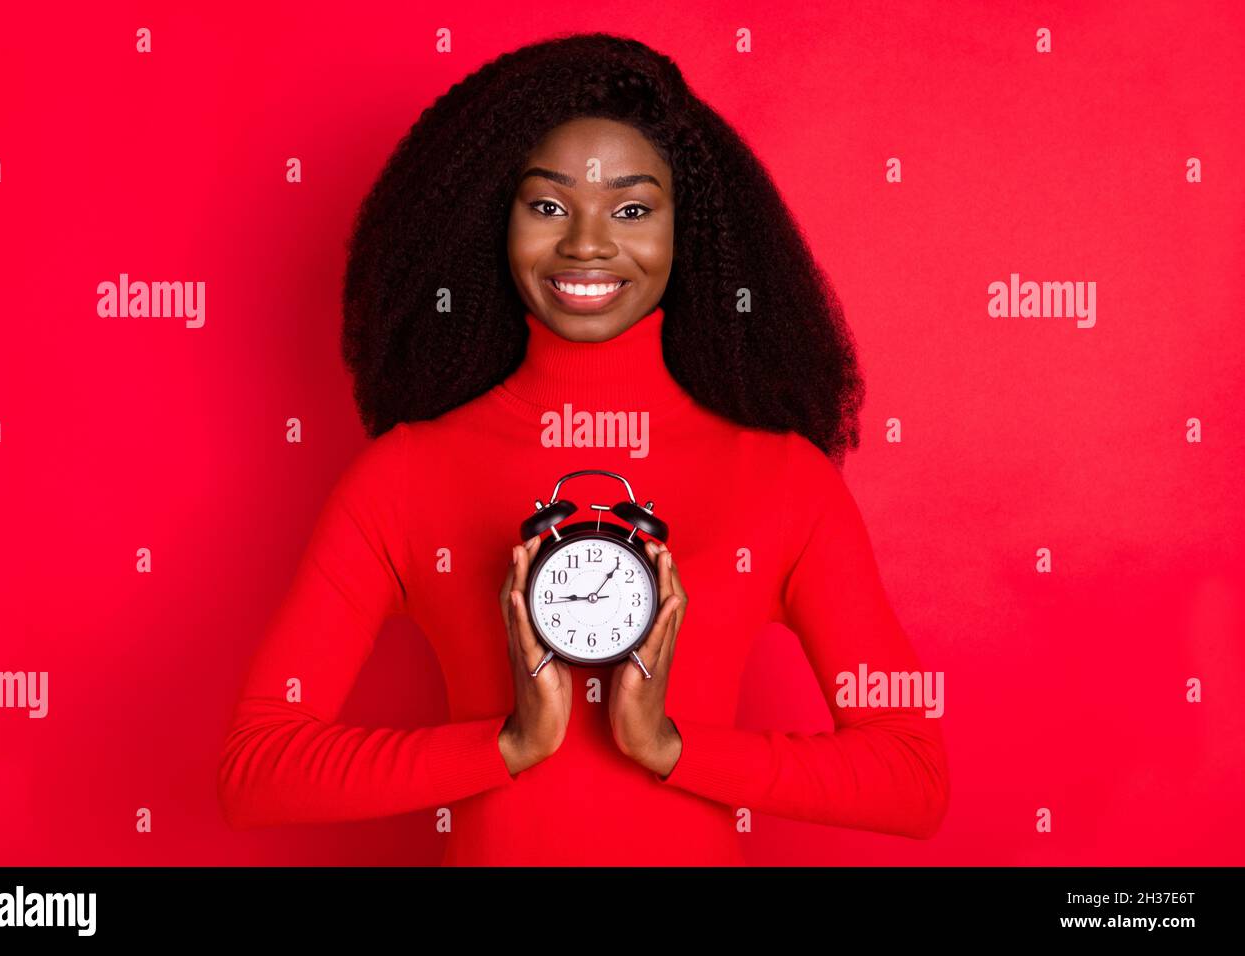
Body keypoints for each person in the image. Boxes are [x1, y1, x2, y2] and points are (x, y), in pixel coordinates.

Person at [217, 32, 950, 865]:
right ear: (491, 219)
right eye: (549, 205)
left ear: (691, 233)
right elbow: (258, 768)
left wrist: (673, 748)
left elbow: (913, 778)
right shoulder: (406, 474)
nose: (588, 245)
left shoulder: (781, 478)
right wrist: (506, 746)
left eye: (633, 209)